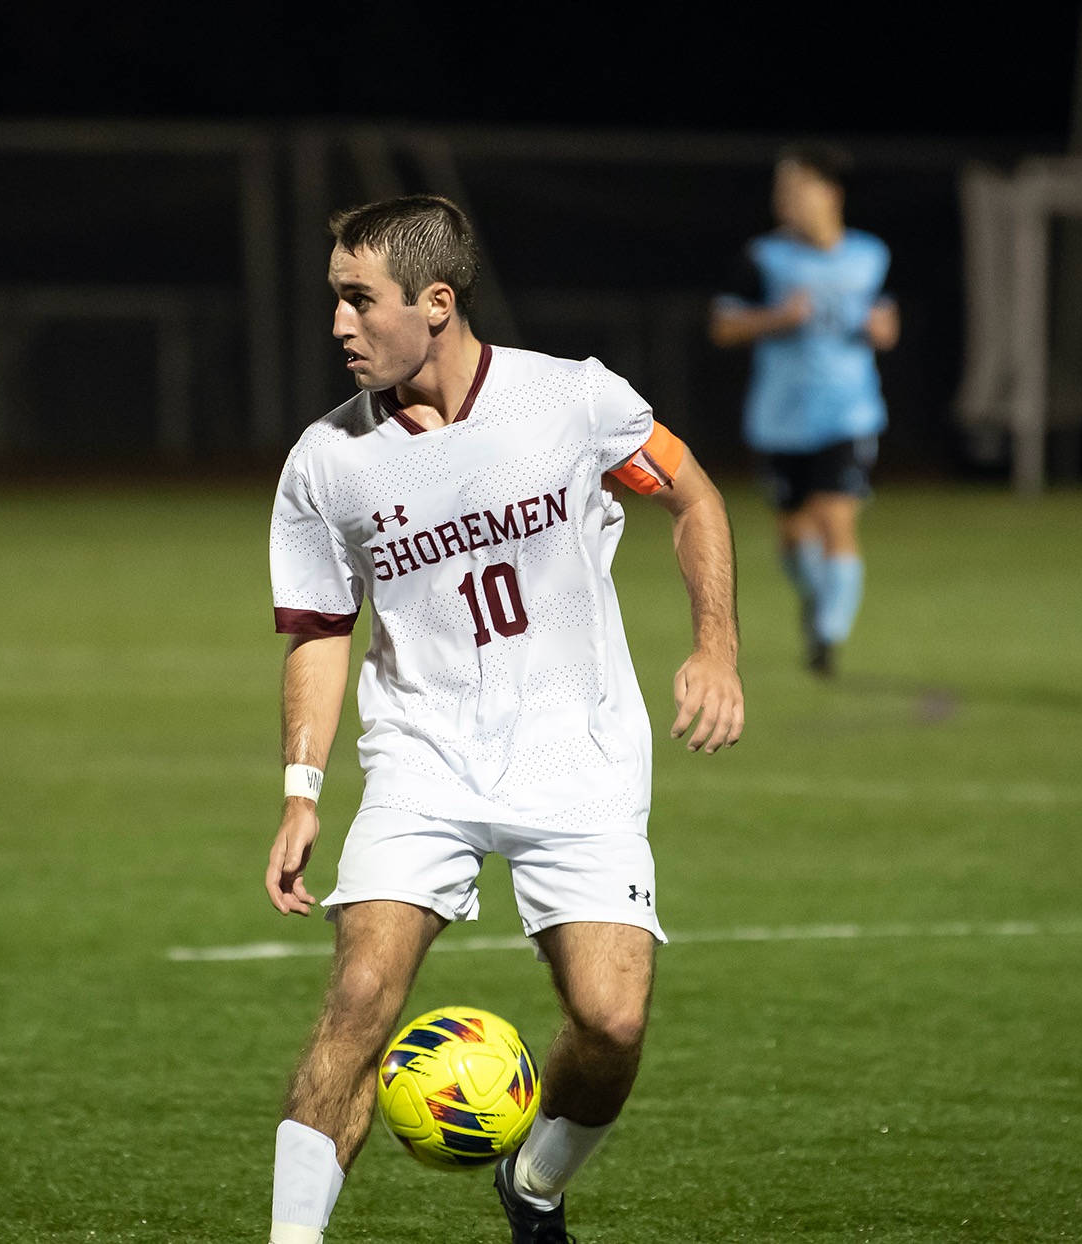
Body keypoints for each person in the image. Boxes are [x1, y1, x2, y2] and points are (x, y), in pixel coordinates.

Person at [265, 194, 744, 1244]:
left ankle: (532, 1185)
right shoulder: (327, 461)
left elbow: (694, 494)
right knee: (357, 997)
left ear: (436, 302)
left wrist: (716, 643)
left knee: (612, 1022)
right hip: (422, 762)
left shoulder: (571, 402)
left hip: (576, 757)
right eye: (333, 300)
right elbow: (320, 628)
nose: (338, 324)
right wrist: (302, 789)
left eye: (359, 300)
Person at [710, 143, 899, 677]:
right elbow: (723, 325)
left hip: (849, 414)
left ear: (829, 193)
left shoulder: (870, 255)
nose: (785, 200)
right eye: (781, 190)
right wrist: (777, 318)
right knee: (794, 536)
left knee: (836, 520)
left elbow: (887, 315)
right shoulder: (764, 258)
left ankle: (827, 638)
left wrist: (883, 329)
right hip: (781, 419)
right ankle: (819, 602)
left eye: (796, 188)